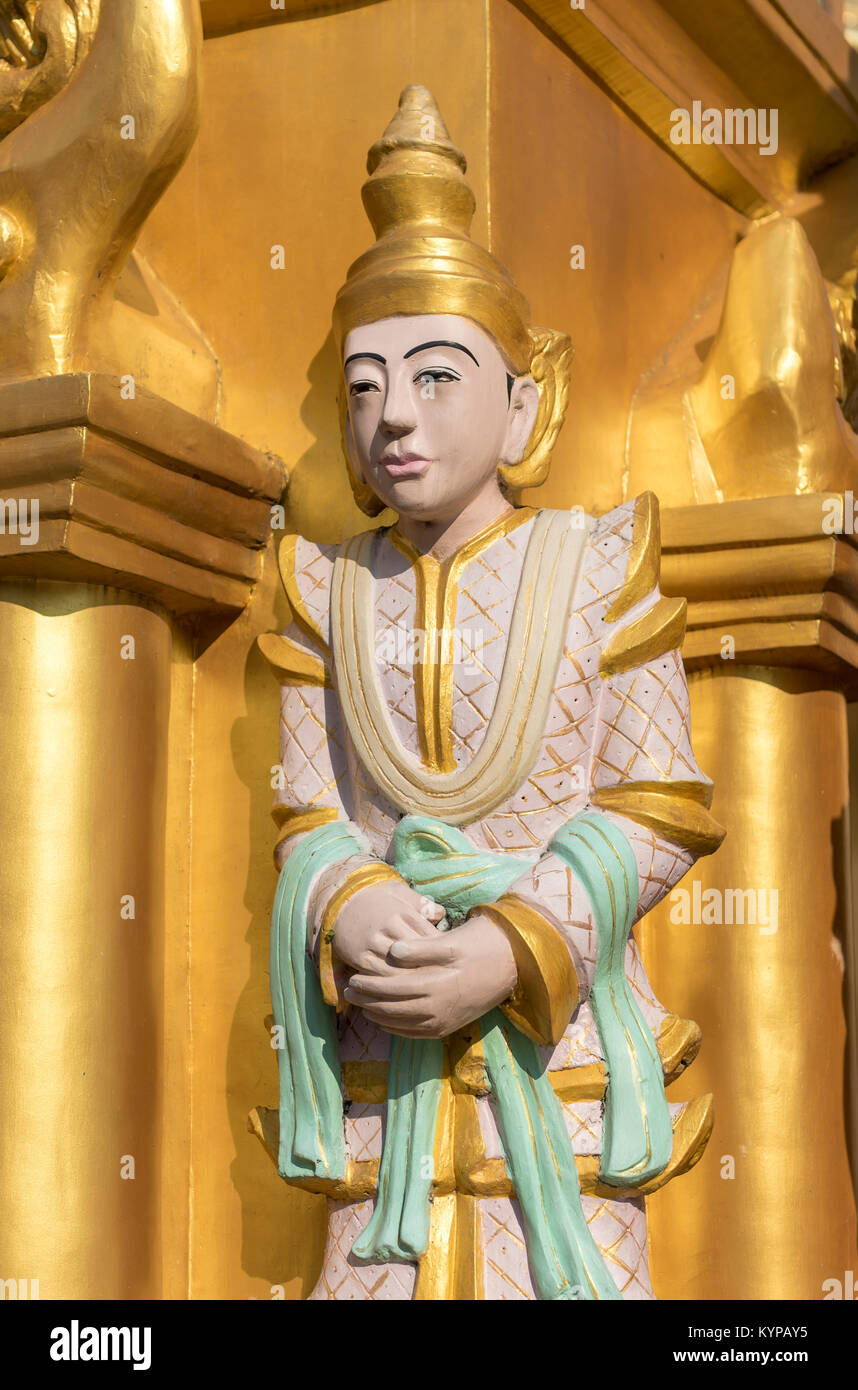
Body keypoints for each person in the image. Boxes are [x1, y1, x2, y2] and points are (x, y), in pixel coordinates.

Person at [261, 85, 725, 1301]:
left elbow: (657, 803)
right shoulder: (322, 590)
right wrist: (347, 900)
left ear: (529, 399)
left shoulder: (597, 570)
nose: (393, 416)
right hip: (382, 1063)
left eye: (434, 375)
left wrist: (512, 945)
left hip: (553, 1051)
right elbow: (307, 810)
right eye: (362, 387)